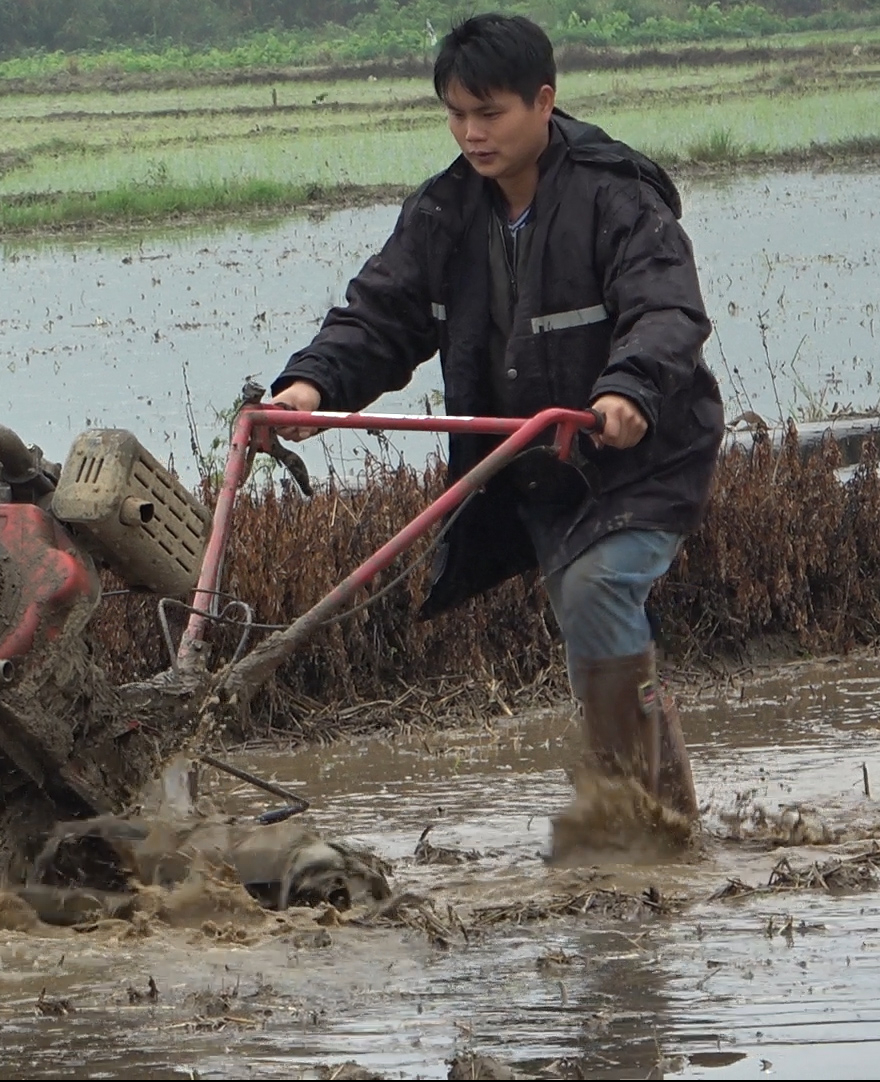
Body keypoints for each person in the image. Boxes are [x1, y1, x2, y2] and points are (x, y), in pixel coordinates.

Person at [268, 13, 723, 838]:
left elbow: (667, 309)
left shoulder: (615, 195)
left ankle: (641, 823)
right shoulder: (444, 212)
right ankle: (662, 817)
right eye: (456, 114)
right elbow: (381, 315)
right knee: (590, 614)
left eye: (490, 113)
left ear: (543, 101)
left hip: (640, 457)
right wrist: (311, 384)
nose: (472, 133)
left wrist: (628, 392)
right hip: (532, 462)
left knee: (596, 588)